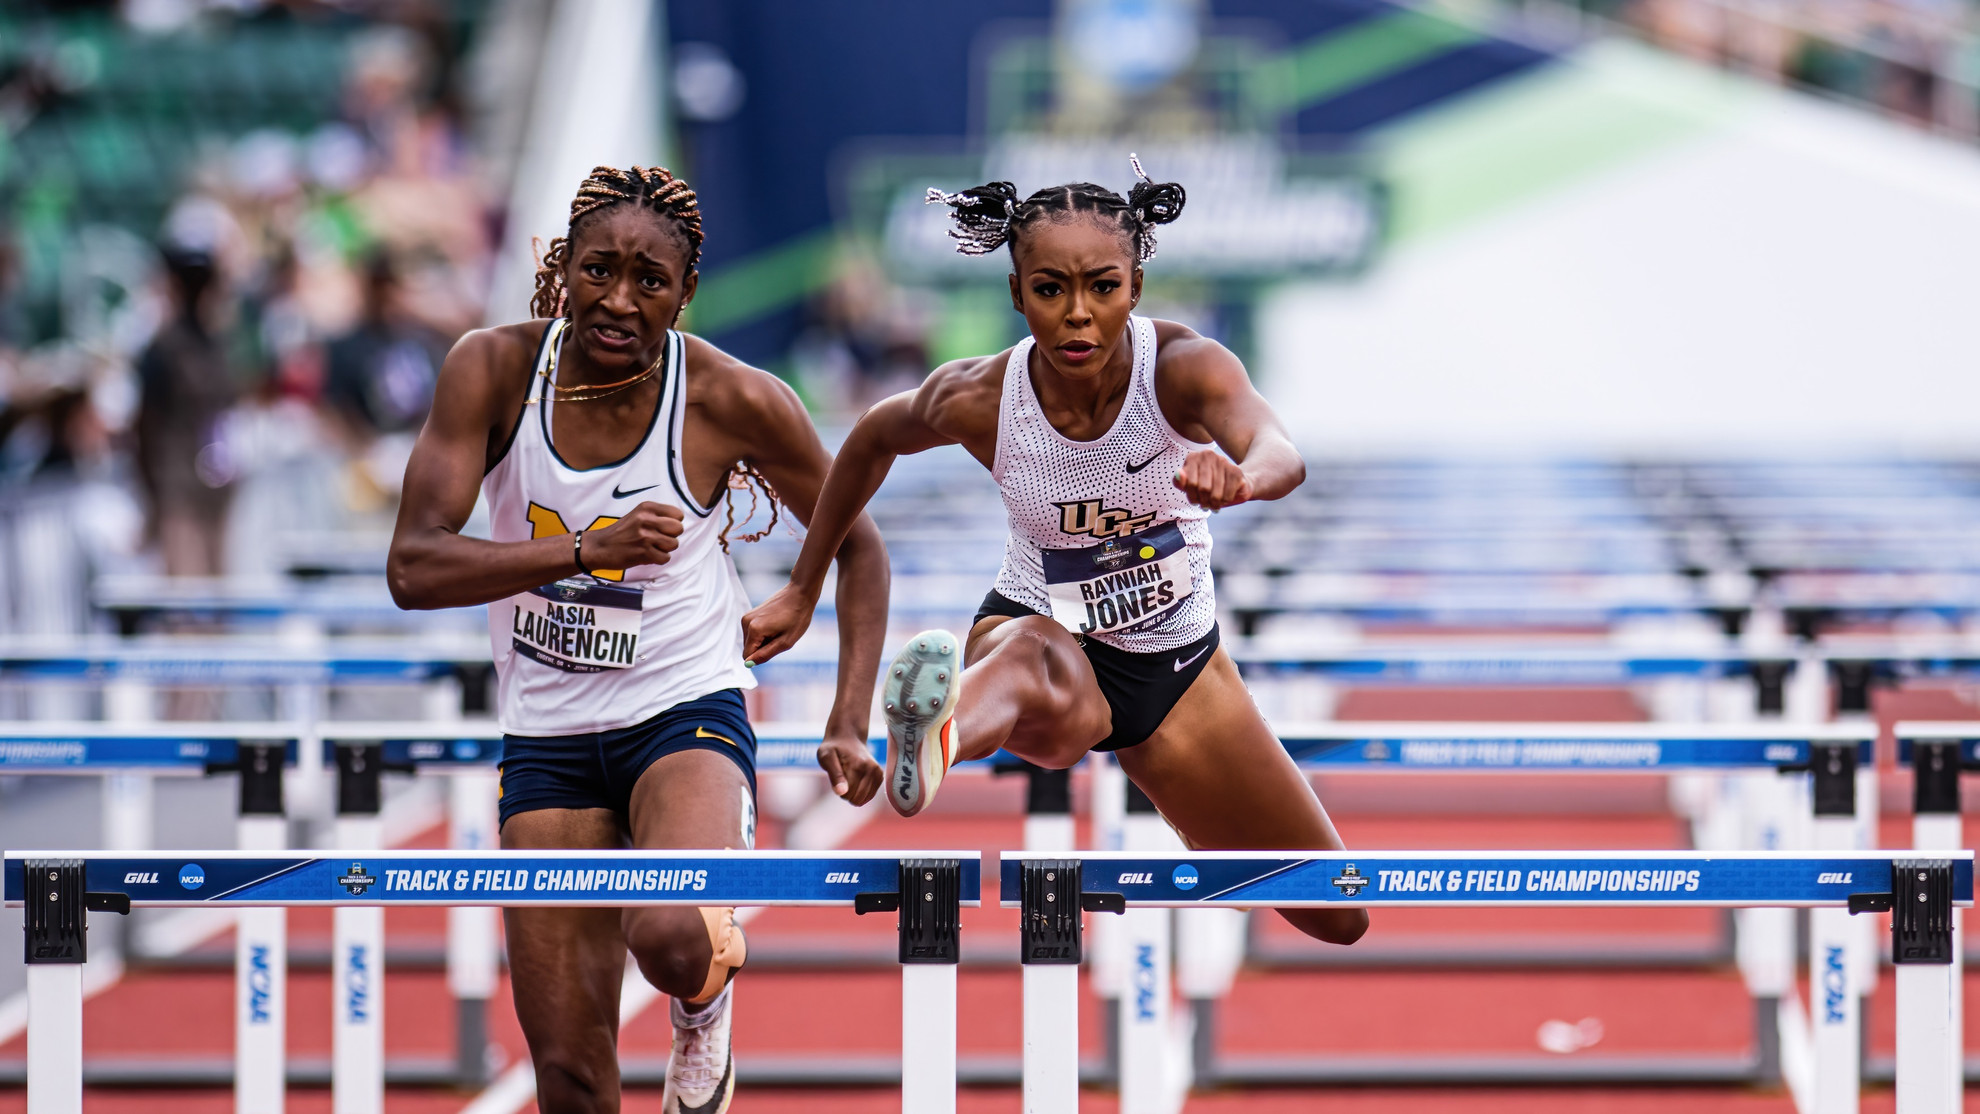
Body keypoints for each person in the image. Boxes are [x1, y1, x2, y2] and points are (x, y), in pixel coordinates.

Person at [743, 157, 1367, 947]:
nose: (1077, 315)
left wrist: (1241, 476)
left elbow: (1281, 450)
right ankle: (938, 733)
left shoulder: (1182, 370)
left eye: (1102, 288)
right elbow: (870, 439)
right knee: (1035, 661)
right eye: (1050, 290)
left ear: (1135, 287)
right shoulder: (978, 396)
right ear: (1016, 294)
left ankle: (975, 737)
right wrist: (803, 585)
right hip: (1035, 632)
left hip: (1177, 670)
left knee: (1336, 911)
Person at [386, 165, 889, 1114]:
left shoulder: (731, 399)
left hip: (683, 710)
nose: (619, 300)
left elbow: (860, 544)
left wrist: (843, 700)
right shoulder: (491, 370)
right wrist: (583, 548)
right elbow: (413, 567)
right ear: (561, 268)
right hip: (546, 736)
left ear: (685, 293)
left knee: (670, 936)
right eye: (598, 271)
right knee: (569, 1080)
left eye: (649, 281)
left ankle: (703, 1012)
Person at [135, 244, 239, 577]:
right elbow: (144, 427)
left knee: (217, 590)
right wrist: (151, 498)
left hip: (217, 485)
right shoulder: (162, 349)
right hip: (177, 486)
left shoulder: (216, 344)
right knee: (186, 593)